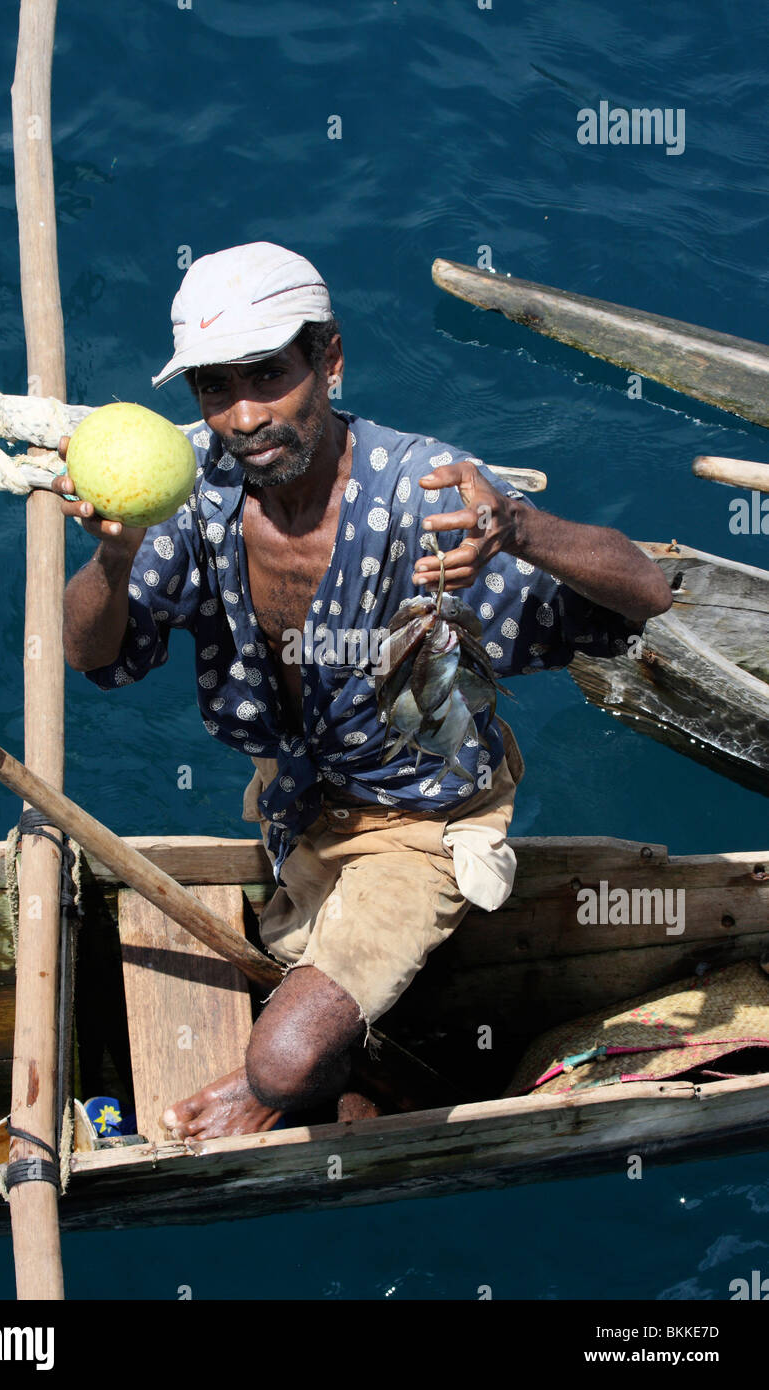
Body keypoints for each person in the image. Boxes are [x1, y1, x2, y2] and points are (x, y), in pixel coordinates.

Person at [55, 240, 672, 1140]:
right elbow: (91, 655)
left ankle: (296, 1080)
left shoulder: (424, 499)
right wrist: (113, 552)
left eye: (269, 375)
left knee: (281, 1060)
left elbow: (645, 593)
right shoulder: (196, 493)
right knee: (329, 1042)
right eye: (215, 389)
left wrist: (519, 527)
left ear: (330, 361)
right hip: (300, 806)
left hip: (423, 819)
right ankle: (362, 1076)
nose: (243, 416)